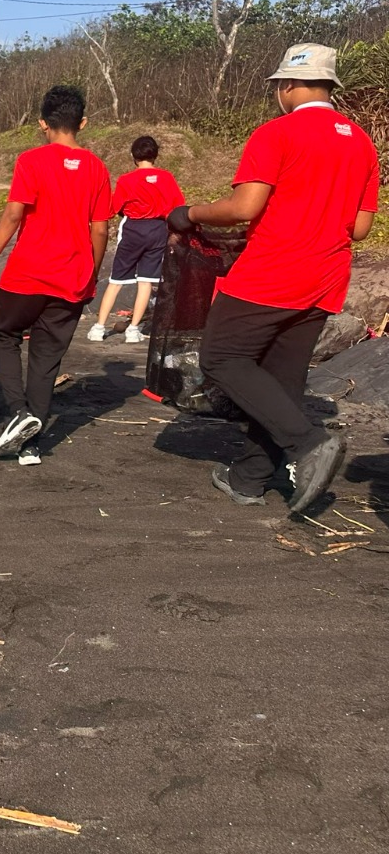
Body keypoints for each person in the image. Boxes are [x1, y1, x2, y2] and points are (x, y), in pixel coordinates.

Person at [177, 43, 378, 512]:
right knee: (282, 378)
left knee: (221, 357)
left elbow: (244, 207)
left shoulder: (276, 133)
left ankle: (308, 442)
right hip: (325, 276)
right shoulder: (361, 142)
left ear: (286, 85)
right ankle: (249, 477)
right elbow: (360, 228)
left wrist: (190, 213)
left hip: (273, 270)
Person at [0, 85, 111, 464]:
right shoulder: (97, 168)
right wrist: (91, 272)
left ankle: (19, 413)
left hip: (29, 273)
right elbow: (100, 230)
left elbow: (13, 214)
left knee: (5, 334)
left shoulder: (31, 161)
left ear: (42, 123)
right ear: (83, 123)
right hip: (72, 277)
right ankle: (31, 445)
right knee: (46, 359)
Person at [88, 136, 184, 344]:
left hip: (133, 230)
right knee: (146, 281)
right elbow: (178, 206)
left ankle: (98, 327)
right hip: (158, 229)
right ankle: (133, 330)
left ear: (133, 155)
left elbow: (115, 207)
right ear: (155, 154)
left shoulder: (127, 179)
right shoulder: (167, 178)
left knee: (116, 280)